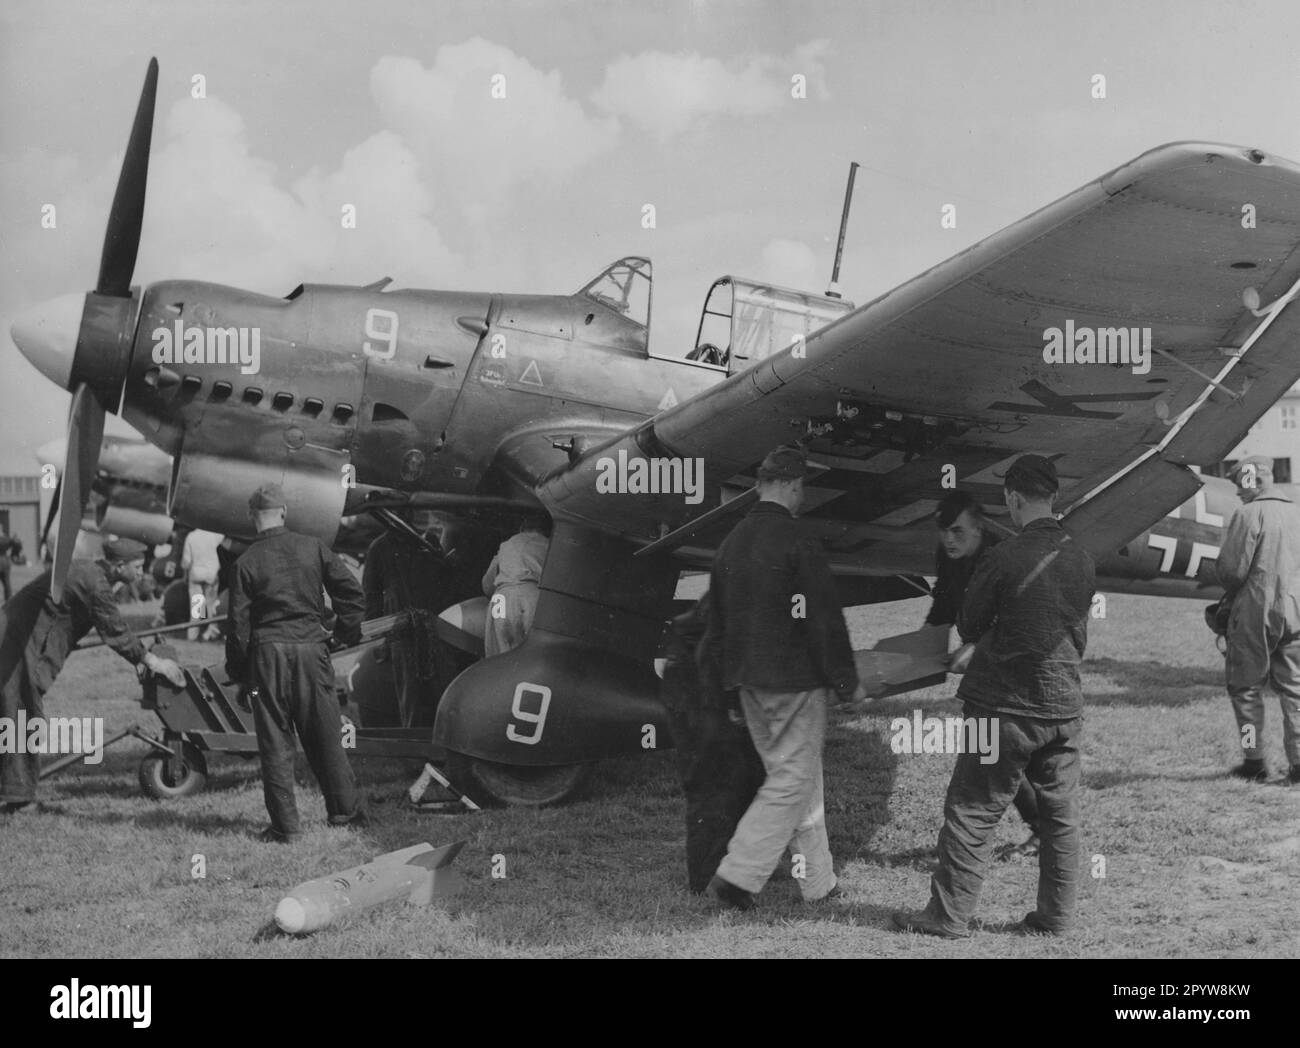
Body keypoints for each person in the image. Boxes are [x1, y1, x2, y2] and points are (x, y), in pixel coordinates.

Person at [894, 454, 1095, 938]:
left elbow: (969, 624)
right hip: (1063, 705)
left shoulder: (1003, 556)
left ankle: (947, 916)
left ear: (1013, 499)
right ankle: (1056, 919)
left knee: (972, 808)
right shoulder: (1083, 557)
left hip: (1002, 708)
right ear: (1054, 497)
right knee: (1060, 816)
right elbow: (1077, 633)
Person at [701, 445, 866, 909]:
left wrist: (727, 688)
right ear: (794, 486)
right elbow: (824, 619)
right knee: (792, 780)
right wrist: (845, 680)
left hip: (747, 683)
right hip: (794, 684)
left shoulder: (731, 542)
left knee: (798, 779)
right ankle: (738, 875)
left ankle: (819, 882)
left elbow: (717, 625)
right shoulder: (798, 541)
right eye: (802, 487)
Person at [224, 484, 367, 842]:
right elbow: (351, 593)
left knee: (275, 742)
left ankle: (286, 828)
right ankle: (345, 812)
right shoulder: (314, 547)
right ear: (284, 512)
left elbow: (238, 629)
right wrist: (343, 635)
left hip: (267, 655)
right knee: (326, 734)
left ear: (251, 517)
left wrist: (241, 675)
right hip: (310, 650)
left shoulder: (245, 562)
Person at [0, 539, 185, 811]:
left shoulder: (88, 571)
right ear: (119, 566)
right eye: (138, 566)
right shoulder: (95, 583)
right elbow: (115, 630)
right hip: (18, 644)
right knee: (22, 716)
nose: (142, 572)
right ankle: (18, 798)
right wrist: (152, 660)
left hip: (15, 635)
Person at [926, 491, 1039, 859]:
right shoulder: (950, 554)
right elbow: (942, 605)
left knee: (1000, 750)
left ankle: (1039, 833)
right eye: (943, 531)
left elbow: (1019, 616)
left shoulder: (1001, 557)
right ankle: (1040, 832)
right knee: (995, 749)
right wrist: (916, 656)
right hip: (986, 668)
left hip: (1018, 658)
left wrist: (976, 648)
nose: (949, 539)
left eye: (958, 531)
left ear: (978, 527)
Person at [661, 592, 766, 893]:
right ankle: (707, 878)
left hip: (701, 678)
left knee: (745, 778)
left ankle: (735, 868)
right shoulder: (750, 591)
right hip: (699, 685)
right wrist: (731, 705)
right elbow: (714, 652)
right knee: (713, 784)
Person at [1216, 455, 1300, 784]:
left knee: (1245, 690)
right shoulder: (1297, 511)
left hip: (1255, 612)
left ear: (1251, 482)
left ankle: (1254, 761)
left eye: (1240, 484)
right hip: (1297, 612)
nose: (1238, 491)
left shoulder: (1248, 513)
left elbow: (1231, 571)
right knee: (1295, 691)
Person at [362, 509, 454, 728]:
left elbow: (444, 584)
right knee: (409, 697)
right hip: (400, 630)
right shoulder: (379, 547)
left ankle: (440, 747)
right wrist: (378, 637)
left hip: (432, 628)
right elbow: (371, 595)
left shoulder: (429, 542)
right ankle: (415, 752)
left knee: (440, 690)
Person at [481, 513, 551, 657]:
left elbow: (487, 584)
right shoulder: (549, 544)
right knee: (532, 656)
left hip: (502, 596)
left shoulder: (507, 545)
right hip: (532, 595)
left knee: (500, 656)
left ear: (522, 527)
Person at [182, 528, 224, 640]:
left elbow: (186, 560)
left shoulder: (191, 536)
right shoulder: (215, 534)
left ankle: (193, 634)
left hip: (196, 573)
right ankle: (211, 633)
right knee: (211, 605)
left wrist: (186, 573)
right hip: (211, 573)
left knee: (197, 607)